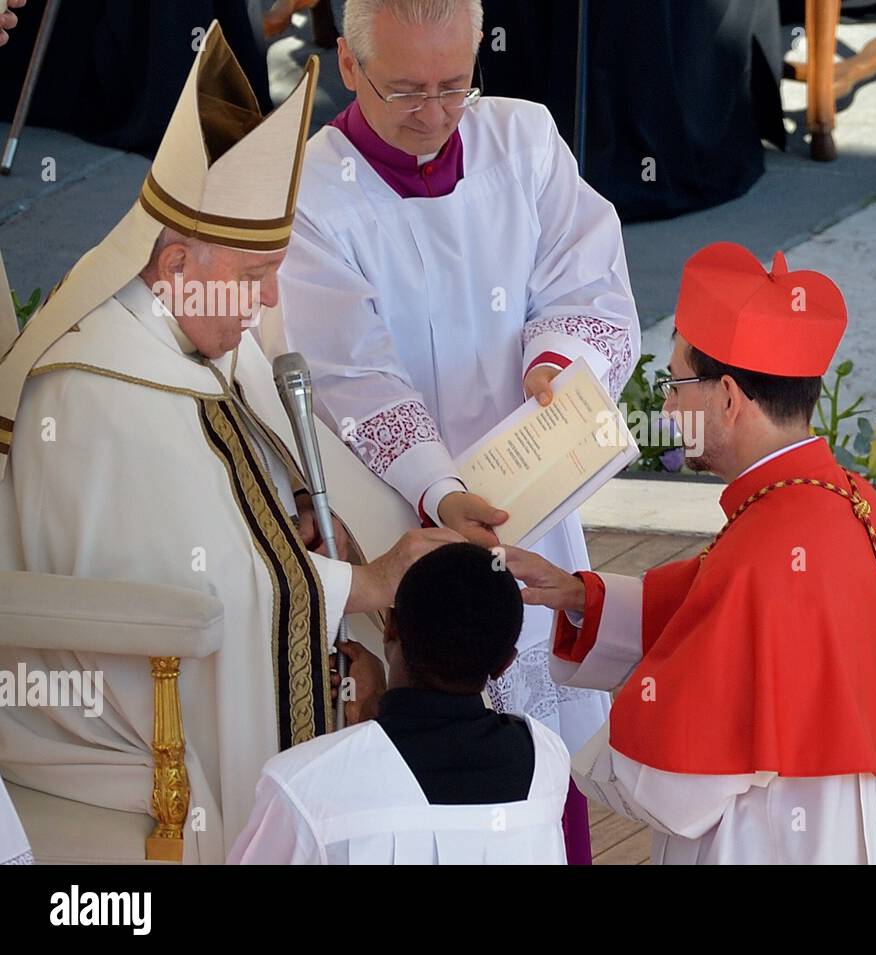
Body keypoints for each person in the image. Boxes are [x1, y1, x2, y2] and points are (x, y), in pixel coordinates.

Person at [0, 23, 451, 862]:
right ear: (173, 266)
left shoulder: (208, 341)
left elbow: (242, 523)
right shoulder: (93, 391)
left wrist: (319, 530)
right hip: (121, 730)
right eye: (253, 276)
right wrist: (365, 582)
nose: (269, 298)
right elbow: (186, 595)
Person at [258, 0, 640, 863]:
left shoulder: (525, 141)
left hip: (532, 502)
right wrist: (441, 487)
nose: (434, 114)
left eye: (454, 86)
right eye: (407, 91)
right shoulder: (311, 191)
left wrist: (558, 359)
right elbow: (349, 367)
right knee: (409, 763)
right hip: (406, 516)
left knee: (545, 763)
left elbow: (587, 281)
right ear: (349, 68)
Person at [507, 242, 876, 864]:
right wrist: (584, 599)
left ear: (730, 398)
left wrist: (541, 752)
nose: (666, 406)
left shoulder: (766, 543)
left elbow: (672, 788)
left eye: (676, 384)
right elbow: (713, 602)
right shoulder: (842, 498)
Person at [230, 542, 570, 864]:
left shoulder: (302, 785)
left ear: (390, 627)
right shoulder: (548, 759)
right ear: (505, 664)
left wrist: (369, 725)